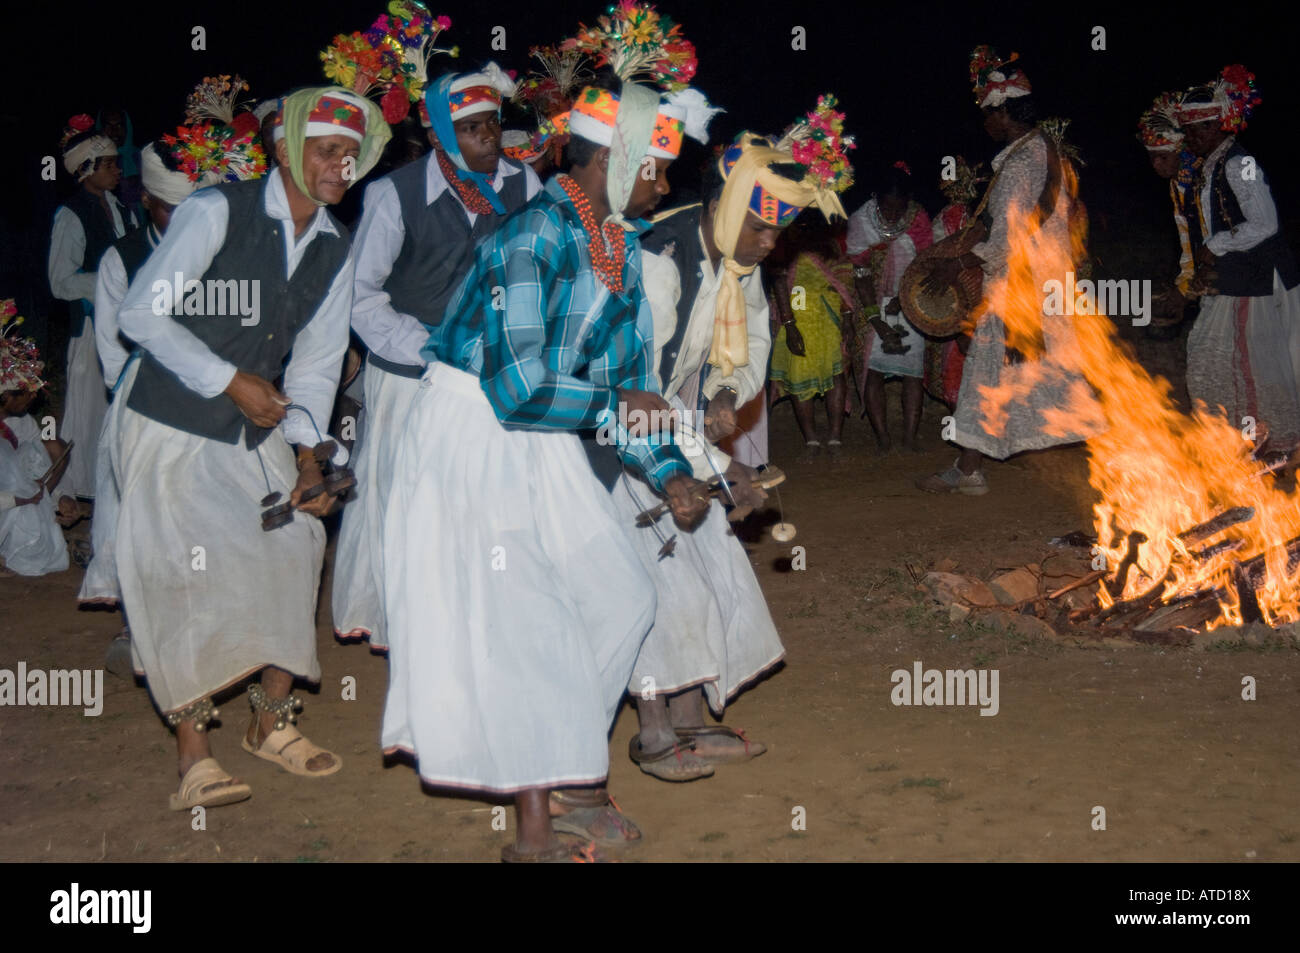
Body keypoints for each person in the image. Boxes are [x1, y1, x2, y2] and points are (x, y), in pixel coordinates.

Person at [381, 76, 711, 862]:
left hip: (541, 433)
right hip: (472, 431)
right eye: (654, 168)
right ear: (611, 160)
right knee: (529, 622)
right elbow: (521, 388)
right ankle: (535, 833)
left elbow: (631, 388)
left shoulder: (620, 250)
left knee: (622, 594)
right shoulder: (528, 236)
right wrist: (619, 402)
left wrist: (668, 473)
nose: (664, 185)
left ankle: (561, 764)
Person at [108, 87, 390, 811]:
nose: (340, 165)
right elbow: (141, 312)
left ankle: (271, 723)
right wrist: (229, 379)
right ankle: (193, 754)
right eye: (327, 150)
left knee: (295, 547)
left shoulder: (334, 244)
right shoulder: (215, 211)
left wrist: (307, 455)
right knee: (185, 575)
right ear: (287, 147)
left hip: (256, 426)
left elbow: (319, 368)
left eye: (350, 155)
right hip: (170, 418)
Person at [624, 111, 851, 781]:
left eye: (778, 230)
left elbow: (746, 350)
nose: (768, 243)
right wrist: (715, 463)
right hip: (620, 436)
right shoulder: (659, 263)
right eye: (759, 226)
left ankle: (690, 720)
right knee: (661, 584)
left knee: (712, 571)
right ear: (722, 207)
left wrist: (725, 398)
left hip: (675, 427)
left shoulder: (738, 260)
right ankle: (654, 734)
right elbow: (639, 392)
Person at [333, 63, 541, 651]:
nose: (489, 140)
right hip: (409, 373)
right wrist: (430, 351)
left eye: (494, 126)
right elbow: (361, 295)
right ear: (439, 137)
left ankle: (483, 611)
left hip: (493, 371)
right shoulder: (393, 195)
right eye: (472, 129)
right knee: (404, 492)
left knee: (489, 492)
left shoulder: (526, 189)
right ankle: (404, 619)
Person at [82, 124, 268, 677]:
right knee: (145, 520)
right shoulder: (123, 258)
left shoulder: (231, 244)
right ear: (147, 201)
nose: (184, 222)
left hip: (227, 398)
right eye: (169, 210)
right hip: (151, 405)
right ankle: (138, 625)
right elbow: (117, 356)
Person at [916, 47, 1101, 494]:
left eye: (988, 113)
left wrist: (956, 264)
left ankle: (1114, 455)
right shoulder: (1040, 153)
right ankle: (969, 468)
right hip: (1038, 285)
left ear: (1005, 111)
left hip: (1022, 287)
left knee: (1014, 374)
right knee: (1004, 374)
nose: (985, 123)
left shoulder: (1021, 164)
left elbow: (1010, 238)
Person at [1177, 66, 1300, 454]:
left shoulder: (1236, 162)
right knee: (1218, 356)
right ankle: (1250, 438)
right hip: (1239, 277)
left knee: (1250, 361)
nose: (1190, 138)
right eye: (1188, 130)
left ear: (1217, 127)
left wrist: (1216, 245)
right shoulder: (1213, 163)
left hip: (1255, 279)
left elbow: (1265, 222)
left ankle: (1269, 441)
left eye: (1196, 130)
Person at [47, 116, 136, 501]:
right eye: (109, 164)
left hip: (124, 328)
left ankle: (114, 489)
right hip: (89, 330)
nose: (118, 170)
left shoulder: (120, 207)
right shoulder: (71, 214)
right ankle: (77, 493)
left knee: (120, 412)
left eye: (118, 162)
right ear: (87, 169)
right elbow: (61, 281)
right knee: (88, 414)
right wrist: (111, 285)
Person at [846, 161, 933, 452]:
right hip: (871, 301)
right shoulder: (860, 222)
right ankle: (882, 438)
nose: (894, 216)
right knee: (873, 371)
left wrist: (905, 297)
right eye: (887, 209)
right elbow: (860, 275)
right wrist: (876, 320)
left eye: (900, 210)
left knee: (912, 372)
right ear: (875, 199)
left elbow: (925, 263)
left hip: (912, 300)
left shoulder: (917, 218)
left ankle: (909, 438)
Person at [769, 216, 861, 459]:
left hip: (829, 323)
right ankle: (811, 439)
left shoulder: (832, 245)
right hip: (797, 322)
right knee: (799, 379)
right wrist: (789, 325)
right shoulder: (784, 243)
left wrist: (848, 320)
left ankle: (835, 437)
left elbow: (845, 283)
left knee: (836, 376)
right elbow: (779, 282)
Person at [0, 307, 77, 576]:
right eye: (26, 393)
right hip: (7, 502)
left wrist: (62, 496)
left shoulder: (24, 421)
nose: (34, 397)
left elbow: (47, 455)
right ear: (6, 396)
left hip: (20, 501)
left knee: (53, 442)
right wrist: (17, 499)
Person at [923, 156, 986, 409]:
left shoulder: (949, 216)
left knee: (958, 364)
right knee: (962, 365)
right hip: (961, 297)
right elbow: (956, 261)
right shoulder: (959, 217)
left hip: (951, 298)